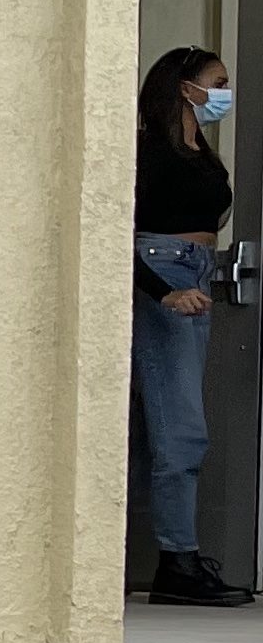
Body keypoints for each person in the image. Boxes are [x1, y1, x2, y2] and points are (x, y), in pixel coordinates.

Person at [135, 48, 248, 604]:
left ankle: (178, 558)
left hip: (194, 275)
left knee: (176, 422)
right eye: (218, 83)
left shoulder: (201, 152)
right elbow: (115, 229)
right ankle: (176, 563)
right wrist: (165, 292)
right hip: (164, 273)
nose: (225, 94)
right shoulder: (150, 153)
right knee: (179, 426)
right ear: (186, 89)